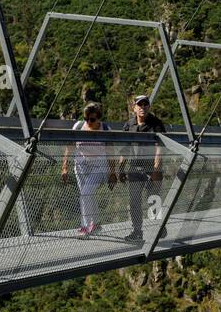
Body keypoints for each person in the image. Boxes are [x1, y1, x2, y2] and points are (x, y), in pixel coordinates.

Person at [62, 102, 116, 237]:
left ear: (99, 118)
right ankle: (95, 224)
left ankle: (85, 227)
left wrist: (112, 173)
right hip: (80, 166)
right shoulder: (79, 126)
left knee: (86, 194)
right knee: (86, 195)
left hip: (99, 166)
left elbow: (111, 152)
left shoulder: (105, 129)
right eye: (86, 119)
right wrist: (64, 167)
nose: (89, 122)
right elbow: (69, 146)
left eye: (92, 119)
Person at [118, 94, 166, 242]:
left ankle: (159, 227)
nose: (143, 107)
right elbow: (125, 148)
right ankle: (137, 232)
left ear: (149, 107)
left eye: (145, 104)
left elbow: (160, 148)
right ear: (134, 108)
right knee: (134, 202)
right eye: (140, 105)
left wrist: (156, 170)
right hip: (134, 168)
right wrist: (121, 168)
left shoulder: (156, 124)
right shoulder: (129, 125)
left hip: (151, 168)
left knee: (153, 199)